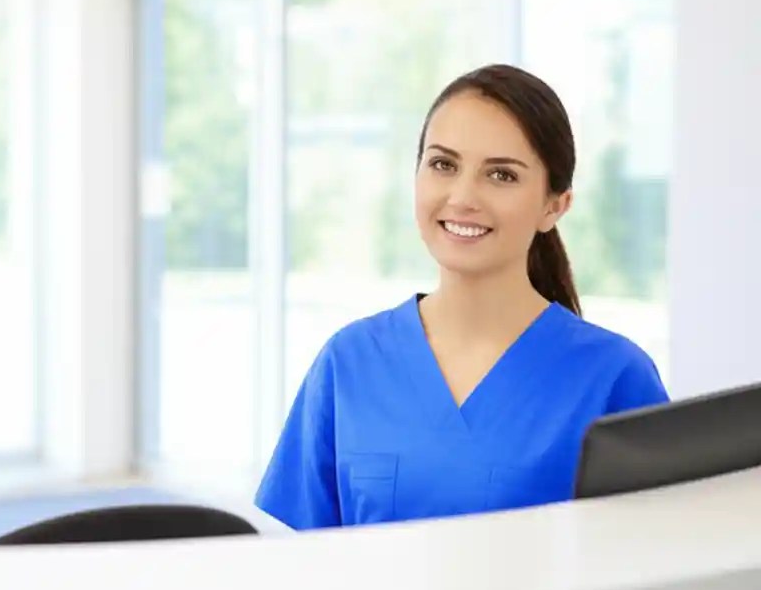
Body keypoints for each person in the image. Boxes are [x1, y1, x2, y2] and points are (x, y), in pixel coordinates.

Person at [255, 64, 669, 530]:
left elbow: (658, 555)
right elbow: (299, 558)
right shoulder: (348, 362)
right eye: (443, 165)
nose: (463, 197)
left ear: (555, 206)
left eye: (501, 175)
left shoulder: (613, 377)